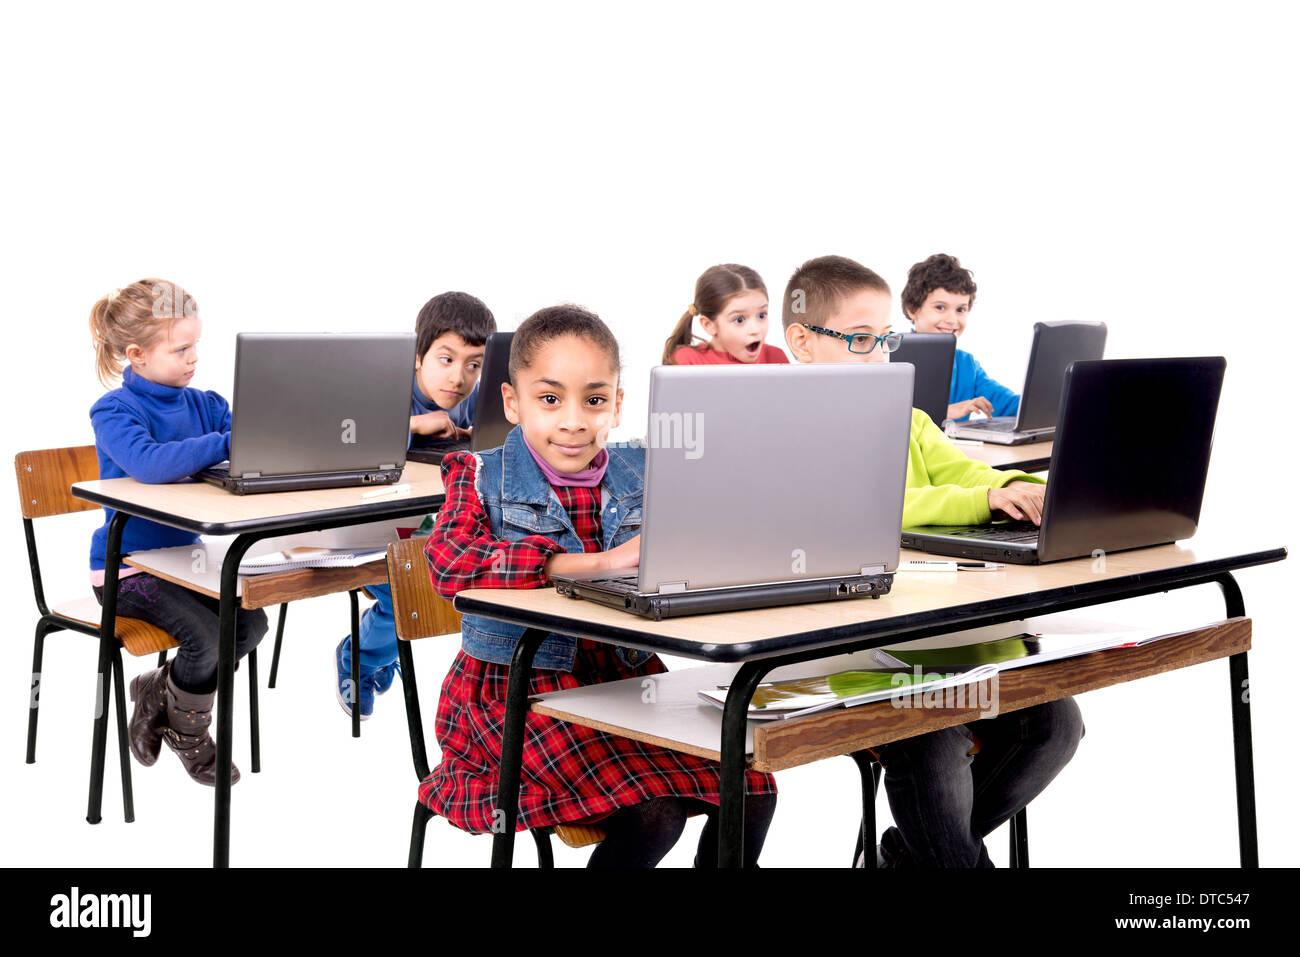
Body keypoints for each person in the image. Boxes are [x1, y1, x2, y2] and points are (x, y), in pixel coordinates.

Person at [421, 304, 777, 867]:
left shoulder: (642, 468)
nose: (573, 421)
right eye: (549, 399)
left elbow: (723, 521)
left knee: (753, 787)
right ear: (513, 403)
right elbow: (449, 564)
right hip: (517, 696)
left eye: (593, 399)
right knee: (654, 814)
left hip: (626, 681)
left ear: (616, 404)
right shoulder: (479, 474)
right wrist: (588, 564)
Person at [782, 255, 1083, 867]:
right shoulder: (789, 424)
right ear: (802, 342)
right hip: (847, 646)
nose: (881, 357)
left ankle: (907, 858)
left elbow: (971, 472)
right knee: (934, 740)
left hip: (936, 628)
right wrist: (984, 499)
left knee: (1054, 725)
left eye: (885, 341)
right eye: (861, 341)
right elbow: (868, 506)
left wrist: (1035, 487)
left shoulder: (912, 420)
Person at [88, 278, 267, 786]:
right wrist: (227, 443)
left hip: (185, 563)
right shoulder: (114, 412)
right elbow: (149, 463)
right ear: (136, 355)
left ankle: (157, 691)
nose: (193, 359)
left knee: (251, 625)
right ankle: (190, 734)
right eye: (181, 349)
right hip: (125, 570)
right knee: (207, 639)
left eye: (196, 346)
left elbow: (247, 439)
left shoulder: (204, 404)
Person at [336, 291, 496, 719]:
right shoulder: (383, 390)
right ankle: (362, 657)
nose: (458, 377)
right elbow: (343, 439)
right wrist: (409, 426)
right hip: (367, 527)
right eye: (446, 359)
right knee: (414, 587)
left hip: (431, 525)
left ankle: (388, 648)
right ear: (417, 356)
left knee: (468, 578)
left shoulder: (477, 399)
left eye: (474, 364)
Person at [901, 253, 1020, 423]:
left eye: (961, 310)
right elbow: (882, 418)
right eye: (940, 307)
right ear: (912, 309)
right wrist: (945, 412)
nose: (952, 320)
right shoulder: (889, 357)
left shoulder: (966, 364)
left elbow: (1011, 405)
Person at [662, 263, 789, 365]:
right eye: (739, 320)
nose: (755, 330)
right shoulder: (688, 361)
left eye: (761, 315)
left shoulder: (775, 358)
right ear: (709, 325)